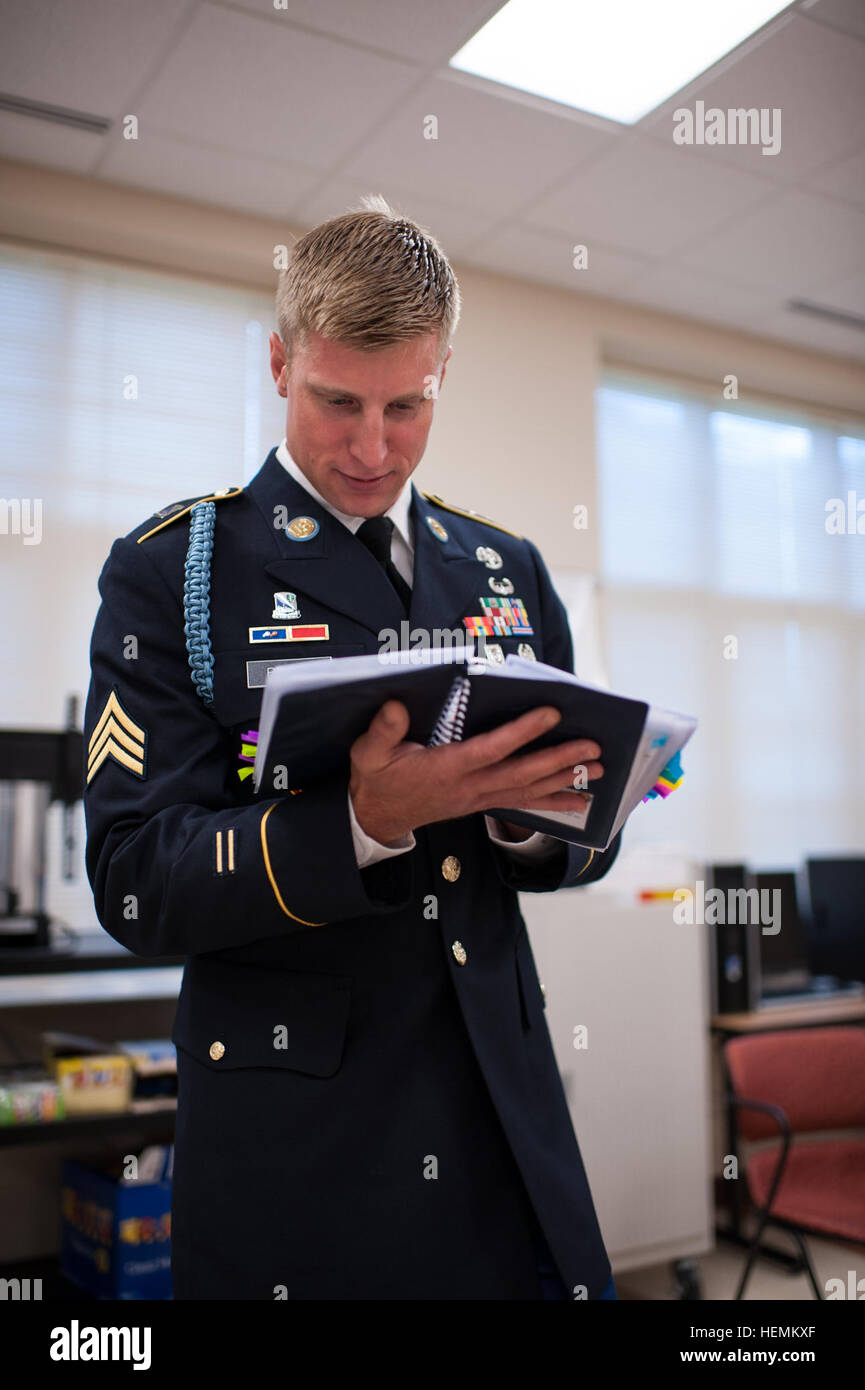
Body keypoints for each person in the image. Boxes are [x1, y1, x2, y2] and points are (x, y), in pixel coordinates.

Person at [83, 195, 622, 1300]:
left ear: (442, 375)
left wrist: (528, 810)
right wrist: (365, 822)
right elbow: (134, 882)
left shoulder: (503, 568)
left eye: (407, 406)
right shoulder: (178, 569)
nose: (372, 447)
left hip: (501, 1103)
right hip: (302, 1133)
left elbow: (584, 837)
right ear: (279, 364)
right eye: (337, 402)